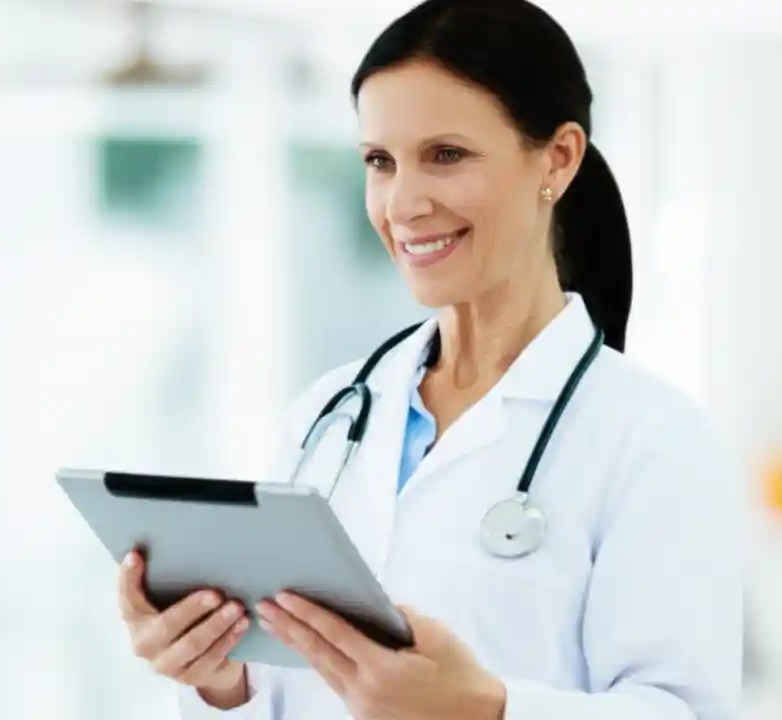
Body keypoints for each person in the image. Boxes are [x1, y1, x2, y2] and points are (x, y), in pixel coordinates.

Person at [115, 0, 742, 717]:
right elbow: (284, 693)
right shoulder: (329, 413)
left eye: (446, 155)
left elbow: (686, 712)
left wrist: (485, 709)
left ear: (559, 159)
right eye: (380, 162)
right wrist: (219, 679)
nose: (403, 202)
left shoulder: (652, 438)